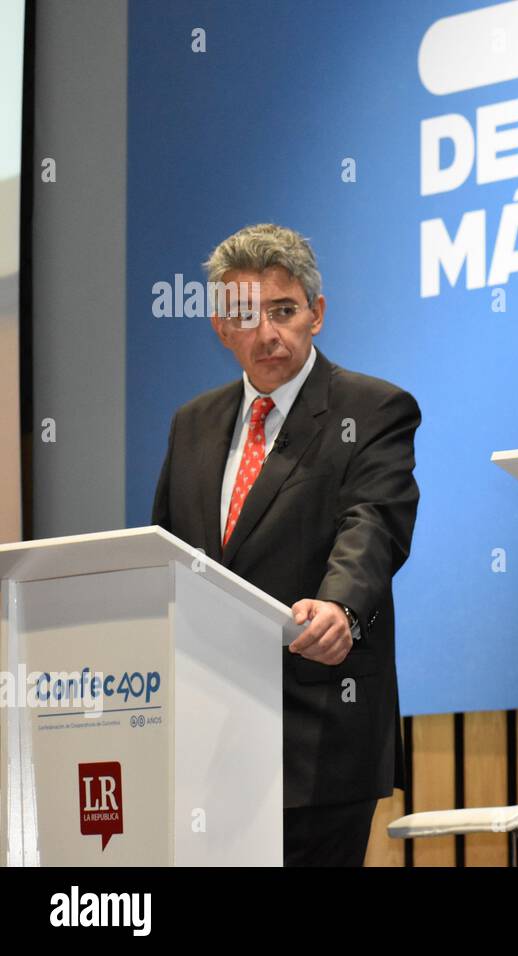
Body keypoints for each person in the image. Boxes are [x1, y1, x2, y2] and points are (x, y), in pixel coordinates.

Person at [151, 223, 421, 866]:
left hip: (319, 727)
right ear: (221, 326)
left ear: (316, 315)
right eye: (245, 315)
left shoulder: (373, 408)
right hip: (207, 733)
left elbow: (373, 523)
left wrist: (342, 608)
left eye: (284, 310)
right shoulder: (192, 424)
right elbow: (168, 553)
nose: (267, 333)